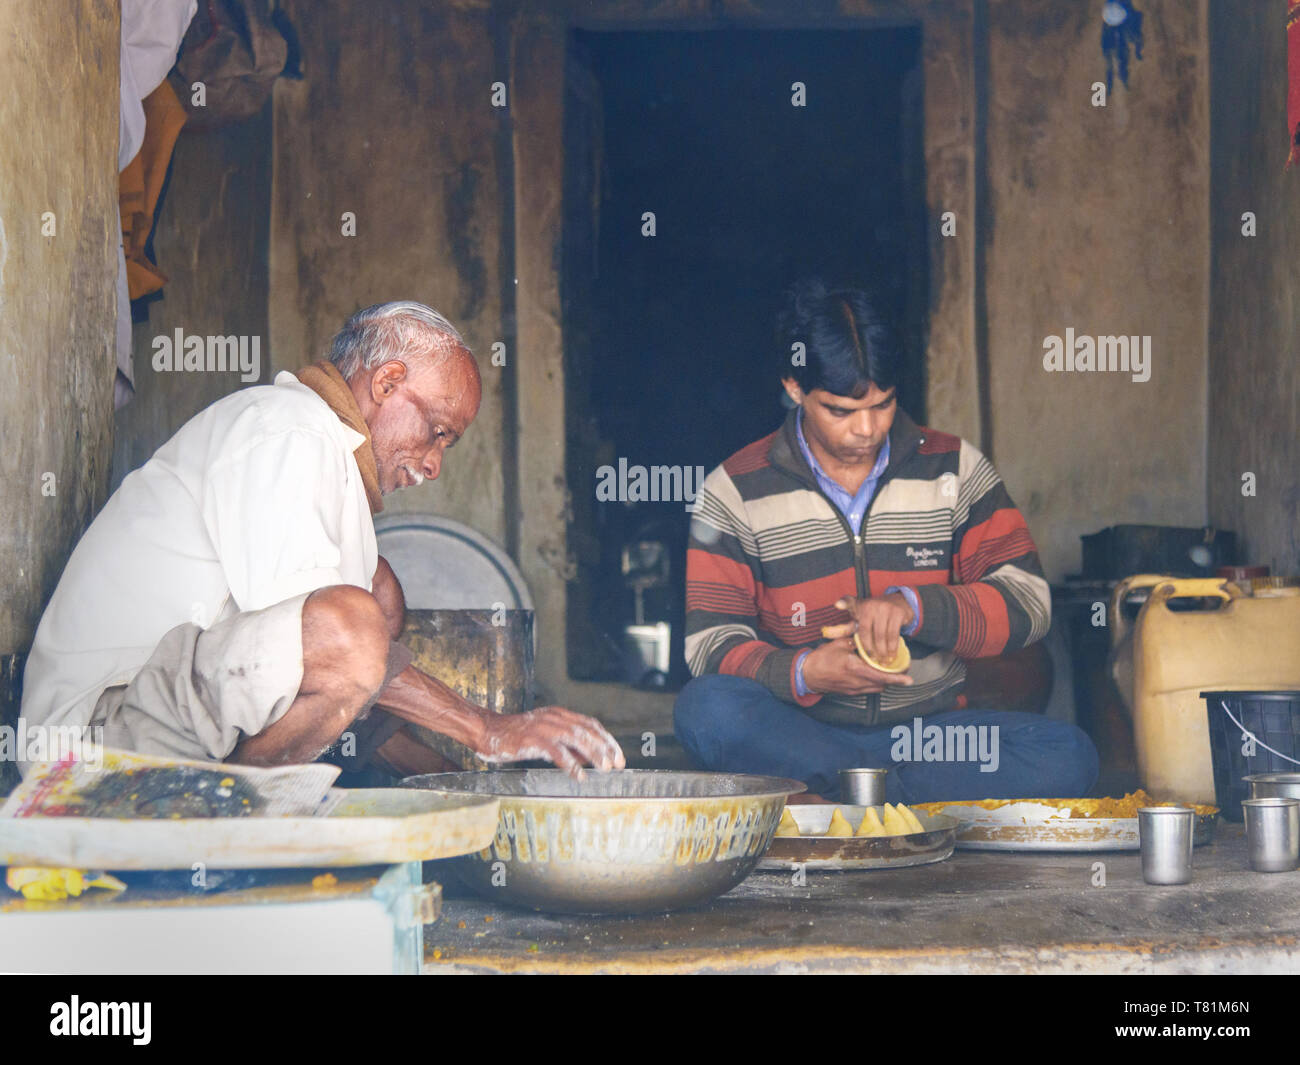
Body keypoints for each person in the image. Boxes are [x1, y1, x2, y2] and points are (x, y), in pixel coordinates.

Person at [20, 301, 624, 778]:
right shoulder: (284, 429)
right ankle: (228, 816)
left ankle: (224, 810)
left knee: (376, 593)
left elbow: (349, 687)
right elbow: (341, 649)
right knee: (354, 622)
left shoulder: (324, 455)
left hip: (161, 716)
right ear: (387, 383)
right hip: (93, 741)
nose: (435, 463)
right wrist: (489, 730)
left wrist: (463, 788)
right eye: (437, 433)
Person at [675, 280, 1096, 802]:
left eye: (884, 404)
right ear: (793, 387)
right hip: (804, 734)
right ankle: (890, 797)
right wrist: (805, 673)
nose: (867, 430)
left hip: (928, 738)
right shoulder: (734, 489)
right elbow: (711, 644)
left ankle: (844, 797)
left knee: (1068, 753)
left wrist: (915, 608)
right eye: (840, 411)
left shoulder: (953, 469)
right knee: (705, 710)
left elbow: (1029, 601)